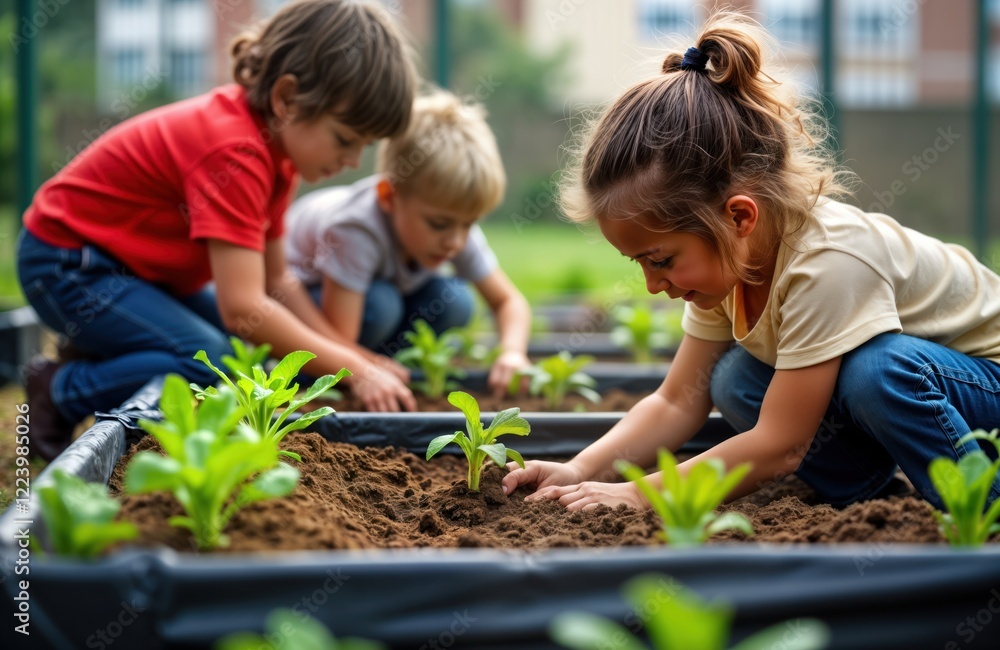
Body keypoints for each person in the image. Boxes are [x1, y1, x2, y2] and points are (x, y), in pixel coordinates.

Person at [502, 11, 1000, 512]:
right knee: (735, 379)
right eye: (641, 265)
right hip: (926, 396)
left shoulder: (829, 261)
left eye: (660, 260)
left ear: (738, 217)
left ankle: (982, 509)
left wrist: (639, 494)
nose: (655, 285)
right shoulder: (728, 264)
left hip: (984, 383)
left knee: (877, 372)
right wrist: (579, 467)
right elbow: (677, 401)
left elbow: (782, 445)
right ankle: (873, 496)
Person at [17, 0, 418, 461]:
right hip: (68, 262)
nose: (352, 161)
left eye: (365, 146)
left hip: (128, 271)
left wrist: (356, 359)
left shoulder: (276, 156)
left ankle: (97, 356)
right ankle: (60, 388)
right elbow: (244, 306)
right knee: (209, 362)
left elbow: (277, 283)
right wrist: (354, 371)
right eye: (346, 139)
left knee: (231, 357)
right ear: (286, 99)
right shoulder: (236, 151)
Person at [285, 90, 532, 395]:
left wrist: (512, 353)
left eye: (469, 223)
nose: (455, 241)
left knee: (455, 300)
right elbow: (338, 337)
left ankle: (389, 368)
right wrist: (365, 370)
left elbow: (509, 301)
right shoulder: (354, 229)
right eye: (438, 224)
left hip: (359, 308)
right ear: (389, 196)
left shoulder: (452, 221)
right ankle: (319, 380)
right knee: (381, 305)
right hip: (305, 316)